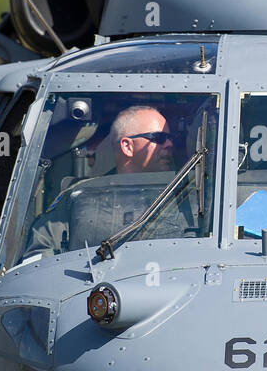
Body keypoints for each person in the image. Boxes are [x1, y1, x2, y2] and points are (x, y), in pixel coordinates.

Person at [20, 104, 175, 260]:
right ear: (127, 146)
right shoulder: (79, 196)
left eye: (170, 138)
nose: (170, 145)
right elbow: (40, 252)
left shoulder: (184, 192)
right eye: (159, 138)